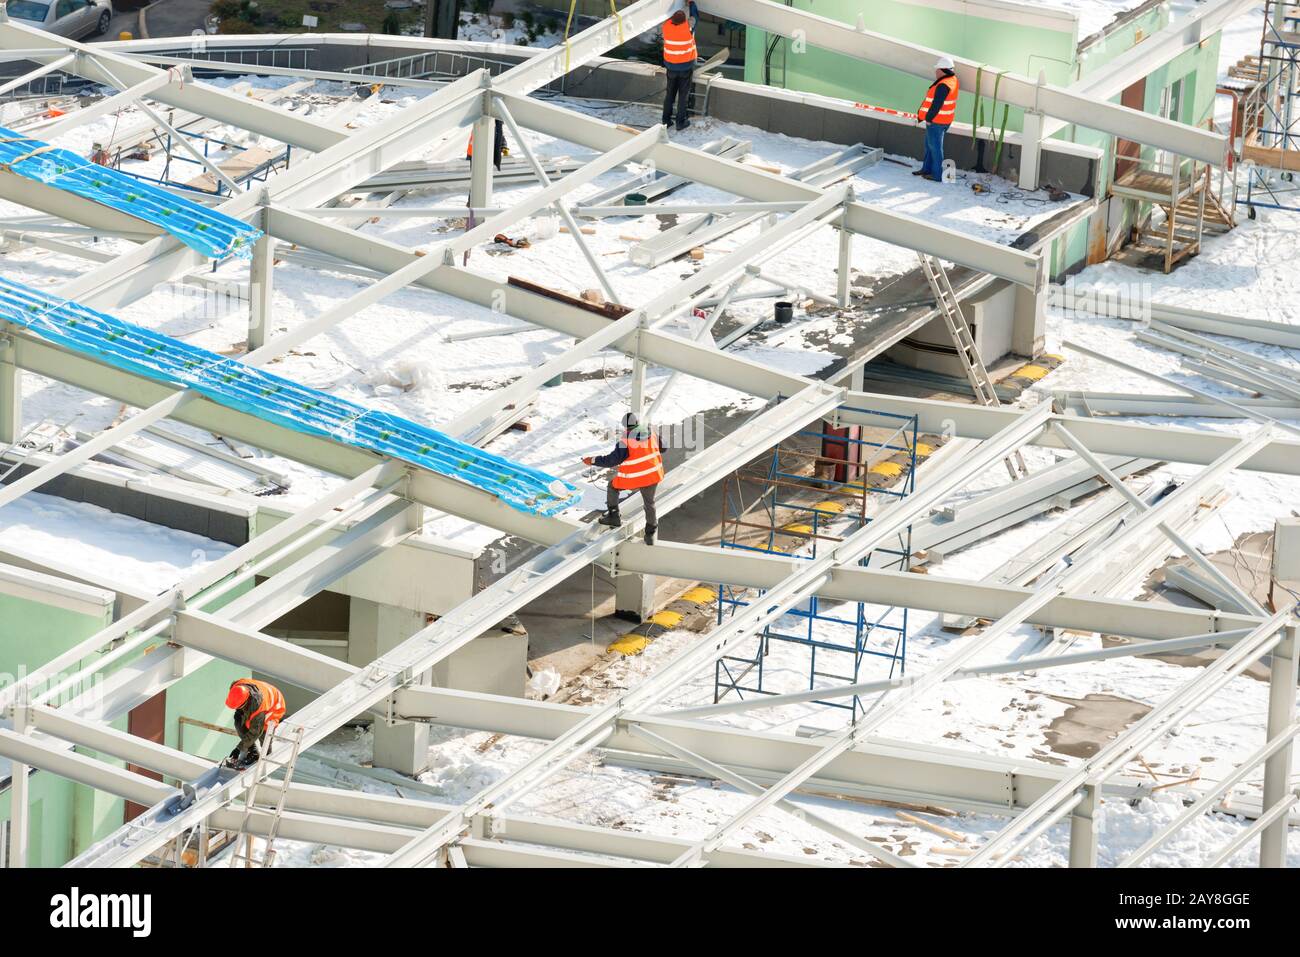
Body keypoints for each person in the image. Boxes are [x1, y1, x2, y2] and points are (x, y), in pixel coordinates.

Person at [582, 411, 663, 545]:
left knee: (613, 486)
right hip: (653, 475)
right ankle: (651, 532)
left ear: (626, 426)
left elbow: (611, 460)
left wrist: (592, 460)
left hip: (635, 478)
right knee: (649, 503)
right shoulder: (652, 433)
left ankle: (613, 516)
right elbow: (663, 447)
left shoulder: (626, 441)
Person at [223, 678, 286, 770]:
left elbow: (255, 732)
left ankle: (267, 755)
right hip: (262, 694)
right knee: (239, 722)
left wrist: (238, 748)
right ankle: (253, 752)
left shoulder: (259, 706)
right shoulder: (237, 686)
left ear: (245, 702)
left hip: (275, 704)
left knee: (264, 731)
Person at [914, 56, 959, 181]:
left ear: (943, 70)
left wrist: (928, 118)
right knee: (930, 146)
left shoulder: (943, 85)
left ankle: (937, 175)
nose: (935, 72)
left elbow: (937, 103)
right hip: (944, 120)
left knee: (935, 148)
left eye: (937, 69)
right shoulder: (952, 80)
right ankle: (926, 169)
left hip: (936, 121)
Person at [661, 1, 699, 132]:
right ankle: (680, 122)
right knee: (683, 95)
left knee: (670, 94)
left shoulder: (666, 27)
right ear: (684, 21)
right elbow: (695, 16)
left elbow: (668, 15)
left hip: (671, 66)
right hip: (685, 67)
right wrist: (692, 4)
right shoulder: (688, 27)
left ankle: (666, 120)